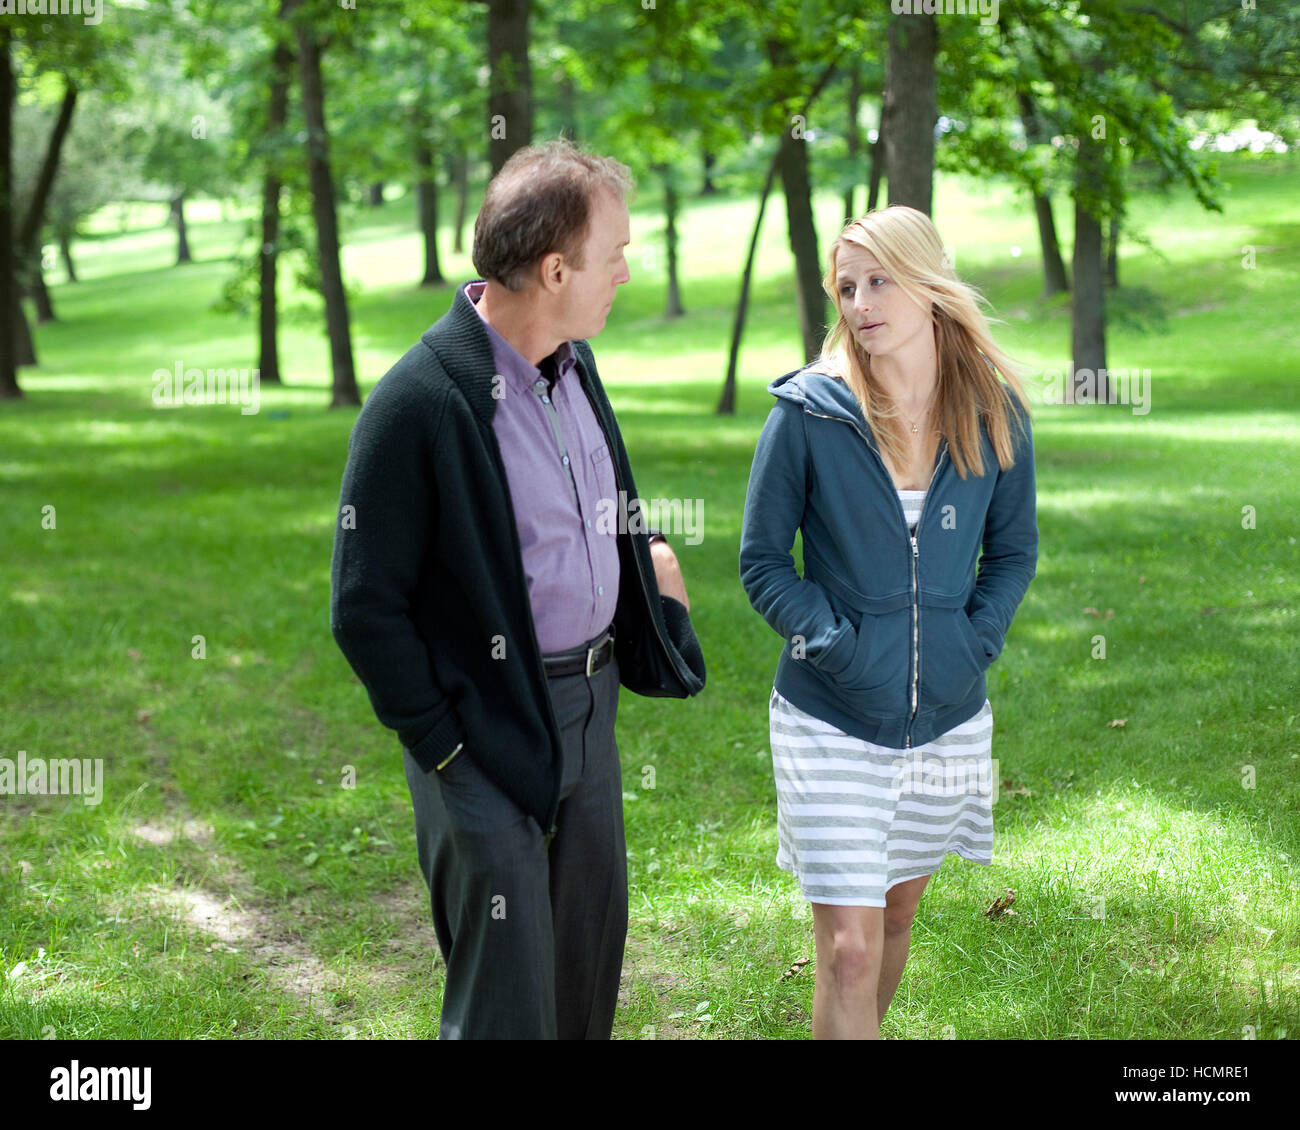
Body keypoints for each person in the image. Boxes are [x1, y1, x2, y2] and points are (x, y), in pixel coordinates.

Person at [329, 139, 706, 1040]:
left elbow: (591, 509)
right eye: (613, 254)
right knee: (508, 1005)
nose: (625, 270)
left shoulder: (575, 365)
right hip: (482, 727)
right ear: (553, 267)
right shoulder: (418, 403)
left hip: (593, 709)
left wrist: (644, 570)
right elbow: (363, 606)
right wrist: (444, 748)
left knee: (584, 981)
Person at [739, 205, 1038, 1039]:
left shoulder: (995, 412)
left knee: (898, 918)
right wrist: (835, 644)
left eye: (879, 282)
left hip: (945, 716)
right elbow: (762, 562)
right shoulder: (808, 415)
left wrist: (970, 642)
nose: (860, 303)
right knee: (848, 952)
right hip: (830, 715)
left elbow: (1012, 554)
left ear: (928, 283)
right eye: (846, 288)